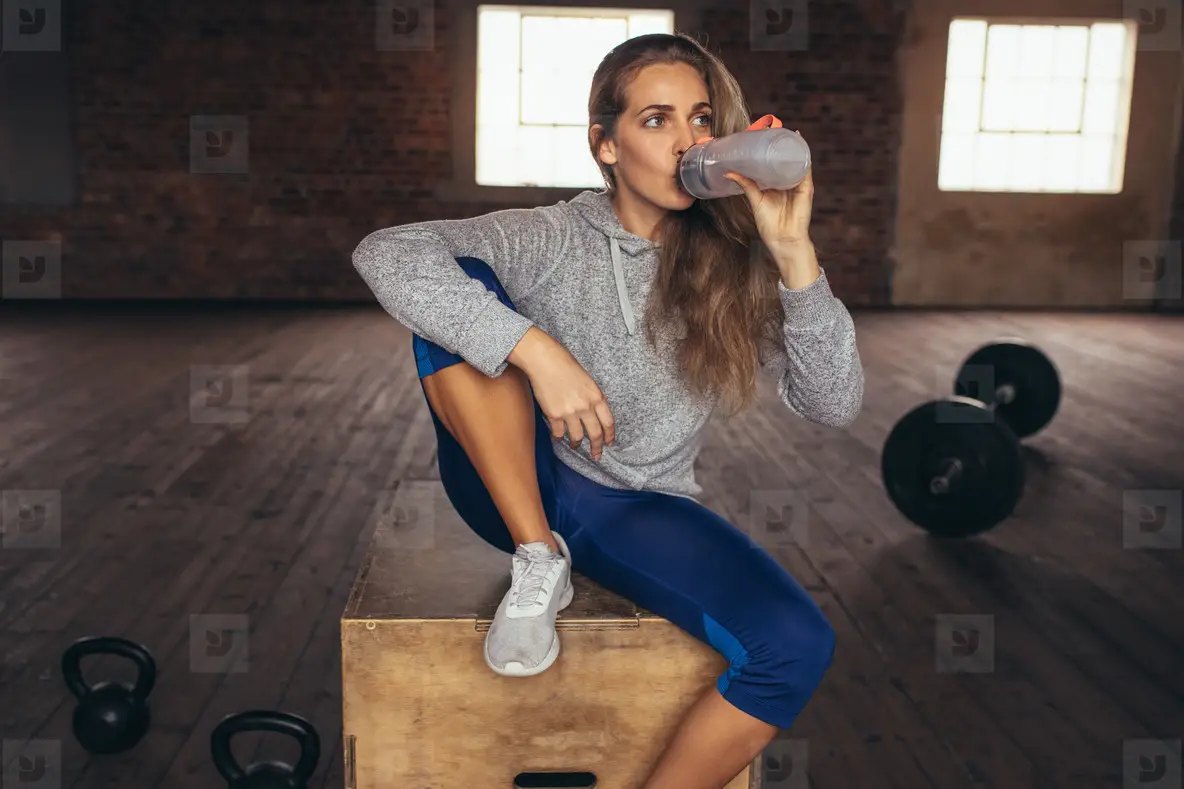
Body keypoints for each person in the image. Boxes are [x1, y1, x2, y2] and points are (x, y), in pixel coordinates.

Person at [352, 30, 863, 789]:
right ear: (607, 145)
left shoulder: (736, 261)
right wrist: (536, 349)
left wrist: (793, 253)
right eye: (656, 120)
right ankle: (538, 557)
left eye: (699, 118)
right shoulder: (553, 235)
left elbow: (834, 402)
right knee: (455, 285)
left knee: (795, 643)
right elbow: (386, 254)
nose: (686, 139)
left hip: (638, 505)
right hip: (512, 483)